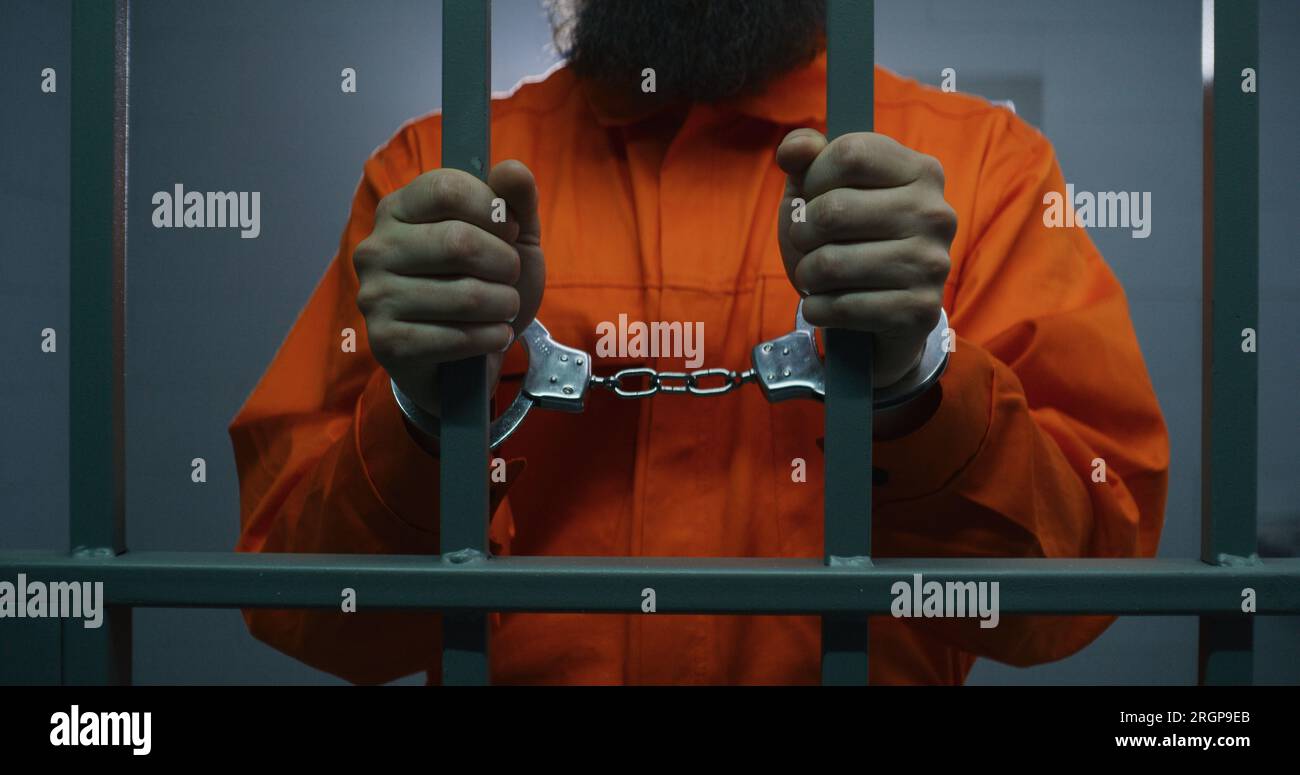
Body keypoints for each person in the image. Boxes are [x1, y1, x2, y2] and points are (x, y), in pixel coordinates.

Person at [229, 0, 1169, 684]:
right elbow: (311, 608)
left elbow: (1081, 580)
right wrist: (427, 419)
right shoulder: (438, 183)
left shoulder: (983, 168)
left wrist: (917, 382)